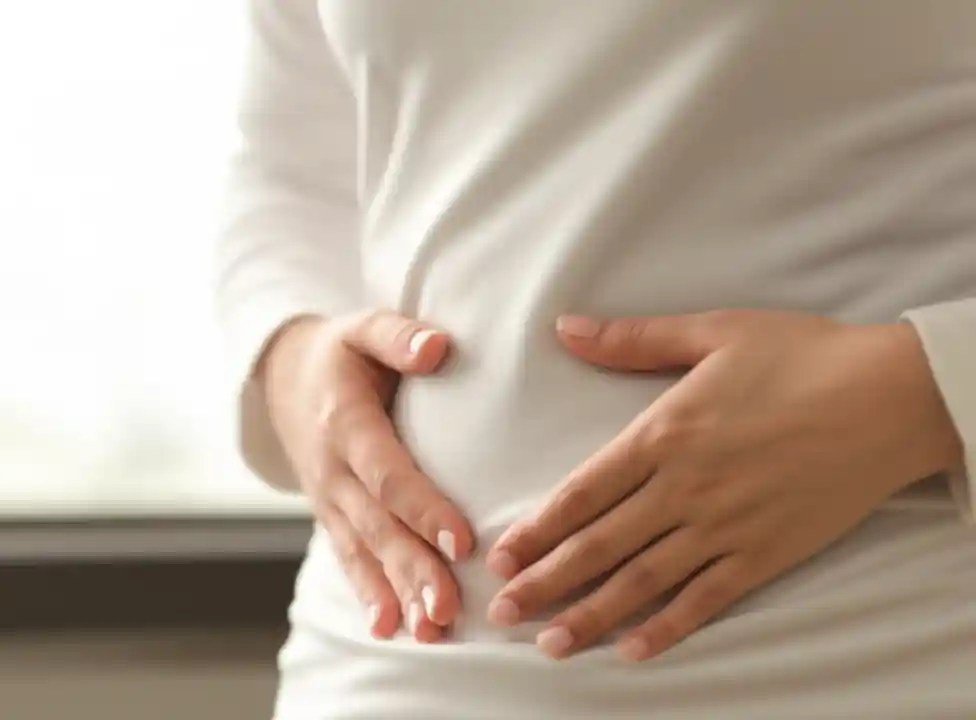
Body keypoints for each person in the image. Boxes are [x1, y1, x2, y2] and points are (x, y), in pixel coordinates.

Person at [215, 2, 976, 718]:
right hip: (388, 668)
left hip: (888, 656)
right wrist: (294, 357)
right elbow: (290, 172)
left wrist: (926, 386)